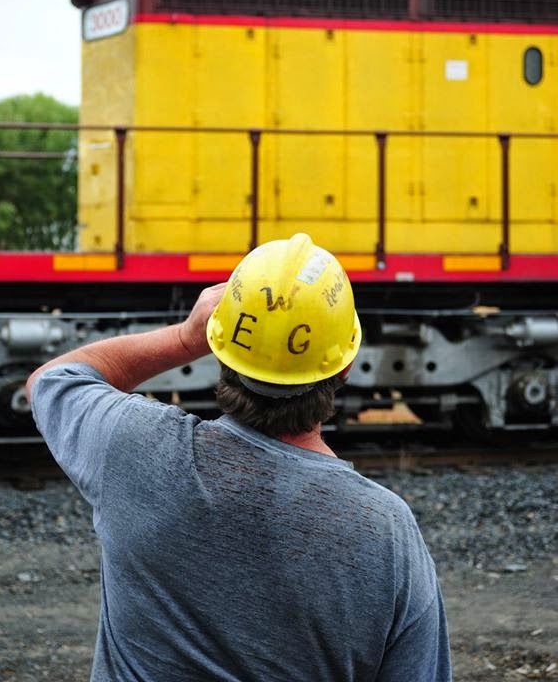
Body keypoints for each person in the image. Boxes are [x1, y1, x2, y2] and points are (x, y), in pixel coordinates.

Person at [27, 233, 452, 682]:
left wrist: (184, 337)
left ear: (219, 345)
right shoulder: (385, 531)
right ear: (345, 366)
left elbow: (53, 380)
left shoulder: (134, 447)